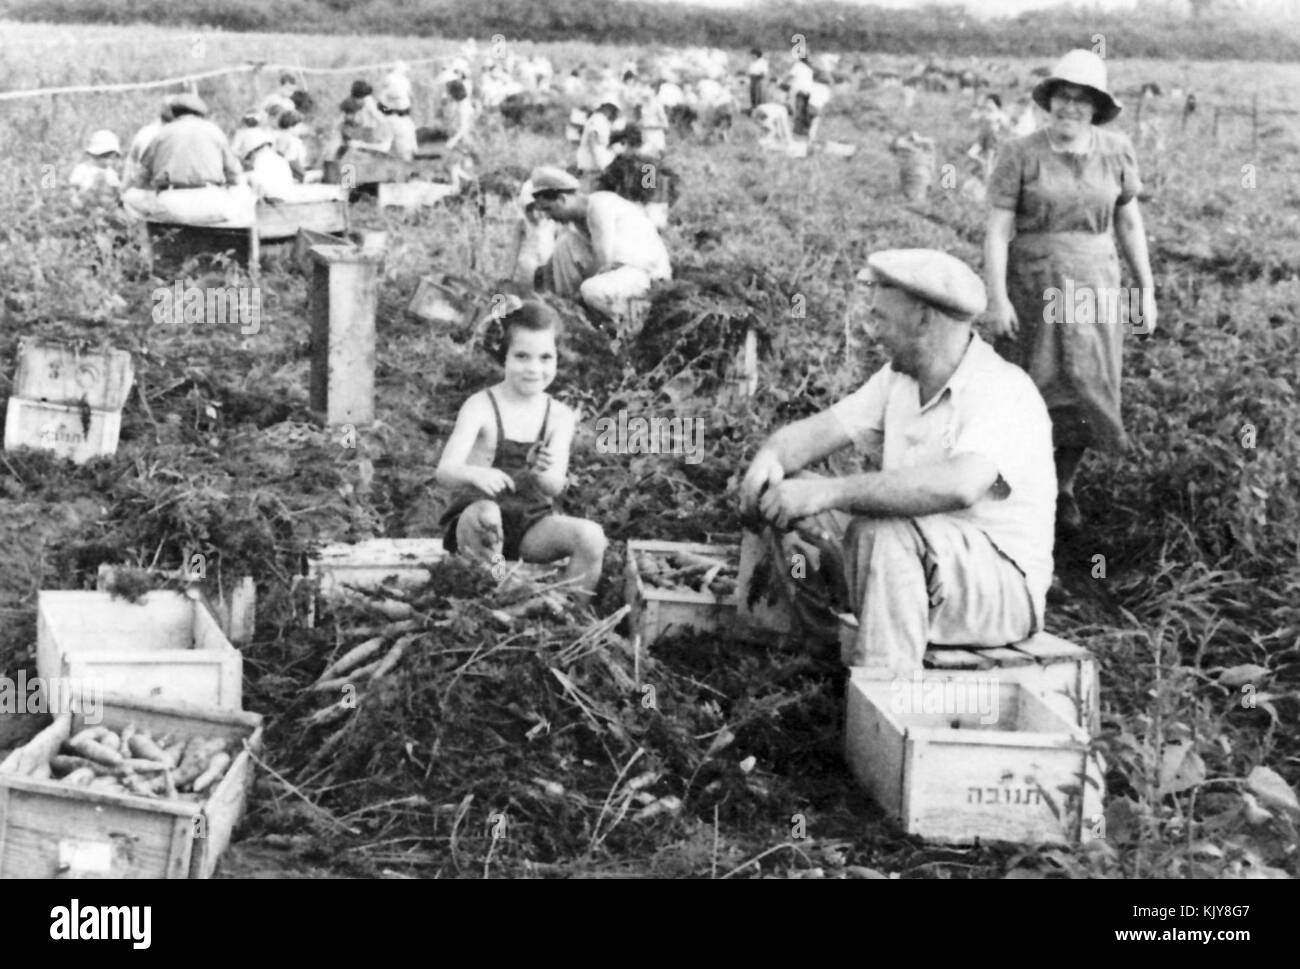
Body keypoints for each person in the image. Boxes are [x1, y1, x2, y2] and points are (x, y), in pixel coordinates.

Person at [739, 249, 1056, 673]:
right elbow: (815, 434)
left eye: (881, 320)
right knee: (783, 490)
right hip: (915, 566)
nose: (873, 334)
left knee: (883, 532)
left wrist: (828, 492)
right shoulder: (899, 379)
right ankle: (803, 661)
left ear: (924, 320)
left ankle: (883, 703)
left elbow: (958, 484)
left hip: (998, 591)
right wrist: (771, 458)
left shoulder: (1001, 389)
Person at [984, 49, 1156, 535]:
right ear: (1050, 99)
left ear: (1097, 106)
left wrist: (1147, 289)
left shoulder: (1117, 150)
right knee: (1030, 384)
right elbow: (997, 230)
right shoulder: (1019, 153)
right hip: (1034, 284)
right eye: (1063, 95)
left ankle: (1062, 489)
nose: (1070, 107)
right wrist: (996, 298)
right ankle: (1017, 486)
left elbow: (1128, 221)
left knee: (1086, 386)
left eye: (1082, 100)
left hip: (1095, 284)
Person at [436, 299, 607, 604]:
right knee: (487, 516)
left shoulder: (558, 416)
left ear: (557, 358)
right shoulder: (481, 406)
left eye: (545, 358)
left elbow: (554, 485)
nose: (534, 369)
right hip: (477, 523)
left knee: (591, 536)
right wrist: (474, 472)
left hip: (530, 526)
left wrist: (543, 472)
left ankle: (565, 614)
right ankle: (488, 604)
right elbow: (445, 472)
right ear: (504, 355)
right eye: (522, 356)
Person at [529, 165, 672, 331]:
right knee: (564, 244)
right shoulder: (575, 222)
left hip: (644, 273)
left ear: (562, 199)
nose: (549, 217)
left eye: (548, 209)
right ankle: (569, 313)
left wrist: (581, 294)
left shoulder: (599, 206)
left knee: (591, 291)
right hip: (618, 273)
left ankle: (626, 329)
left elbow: (605, 263)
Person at [123, 93, 254, 225]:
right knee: (246, 193)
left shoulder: (161, 134)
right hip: (210, 204)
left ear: (174, 113)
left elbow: (140, 179)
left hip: (170, 206)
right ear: (200, 114)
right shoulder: (214, 131)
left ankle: (151, 236)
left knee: (129, 197)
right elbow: (235, 176)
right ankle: (237, 236)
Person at [505, 177, 559, 289]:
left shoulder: (553, 222)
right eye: (530, 210)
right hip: (527, 267)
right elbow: (514, 249)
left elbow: (559, 244)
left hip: (547, 267)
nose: (535, 214)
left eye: (538, 209)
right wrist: (508, 276)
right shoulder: (522, 223)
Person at [123, 101, 173, 190]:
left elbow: (131, 163)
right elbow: (133, 163)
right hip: (151, 188)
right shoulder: (148, 134)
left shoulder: (145, 132)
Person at [69, 129, 122, 197]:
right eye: (108, 157)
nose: (111, 161)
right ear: (97, 155)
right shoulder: (82, 169)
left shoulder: (110, 173)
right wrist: (74, 198)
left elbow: (116, 192)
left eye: (113, 158)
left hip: (103, 204)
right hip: (84, 202)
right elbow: (73, 188)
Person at [576, 102, 618, 174]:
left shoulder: (599, 119)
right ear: (608, 109)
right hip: (592, 159)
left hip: (590, 157)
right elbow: (591, 139)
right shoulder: (599, 119)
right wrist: (597, 162)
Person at [746, 48, 768, 112]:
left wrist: (755, 77)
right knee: (752, 95)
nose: (752, 56)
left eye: (753, 55)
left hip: (758, 79)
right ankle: (753, 109)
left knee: (758, 96)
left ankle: (759, 110)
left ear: (756, 55)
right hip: (752, 79)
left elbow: (763, 73)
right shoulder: (753, 62)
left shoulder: (762, 62)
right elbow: (750, 71)